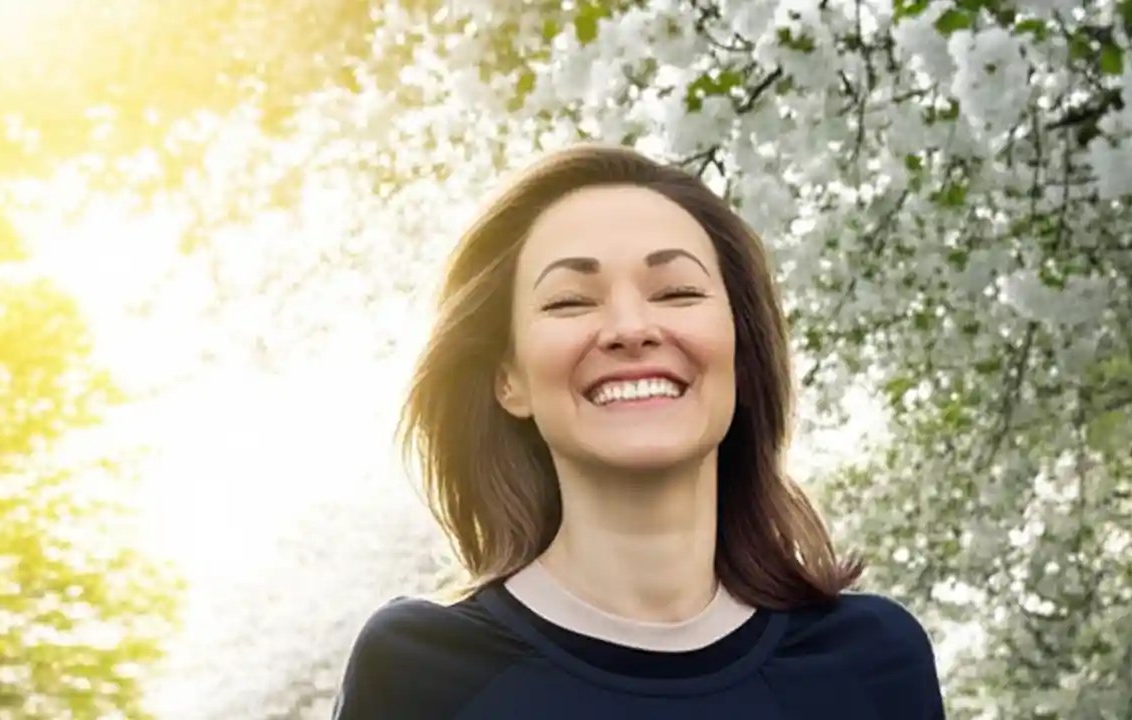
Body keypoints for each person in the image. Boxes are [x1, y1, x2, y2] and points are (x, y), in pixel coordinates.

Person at [331, 144, 945, 719]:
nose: (630, 327)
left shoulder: (873, 661)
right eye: (571, 302)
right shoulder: (421, 674)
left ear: (741, 352)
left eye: (676, 292)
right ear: (507, 378)